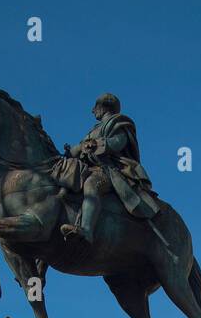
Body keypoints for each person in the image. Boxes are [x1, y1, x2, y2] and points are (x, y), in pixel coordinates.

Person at [56, 93, 160, 244]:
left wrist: (94, 145)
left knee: (92, 184)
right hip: (88, 168)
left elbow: (117, 143)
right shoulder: (94, 130)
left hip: (110, 171)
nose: (93, 111)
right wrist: (71, 151)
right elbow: (80, 149)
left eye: (95, 107)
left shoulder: (119, 124)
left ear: (104, 107)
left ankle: (86, 230)